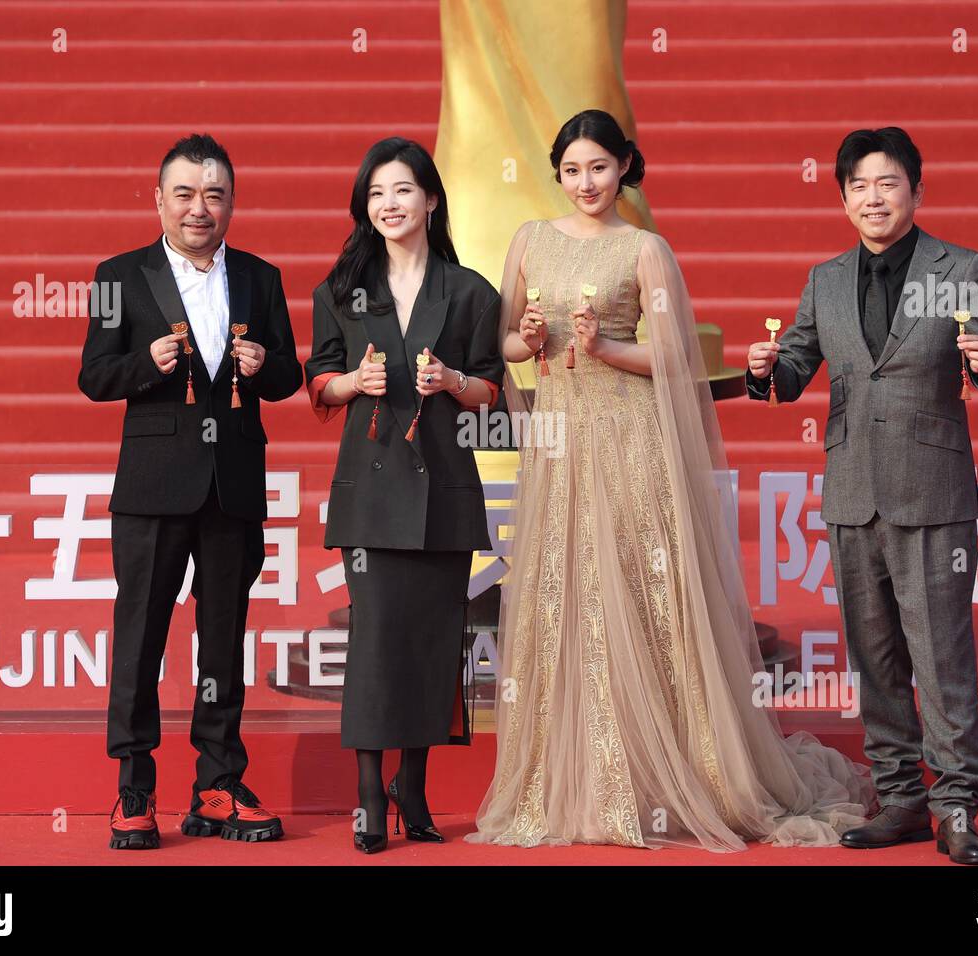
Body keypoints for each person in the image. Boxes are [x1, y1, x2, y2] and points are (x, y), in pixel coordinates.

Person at [466, 109, 874, 852]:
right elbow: (501, 344)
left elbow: (676, 359)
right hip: (558, 448)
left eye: (599, 167)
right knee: (567, 602)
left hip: (630, 445)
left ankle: (668, 780)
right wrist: (524, 342)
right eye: (572, 170)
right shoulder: (529, 240)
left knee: (642, 603)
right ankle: (578, 786)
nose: (585, 182)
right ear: (556, 173)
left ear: (624, 166)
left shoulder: (646, 250)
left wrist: (607, 346)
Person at [745, 127, 978, 865]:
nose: (874, 197)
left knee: (942, 656)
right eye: (859, 185)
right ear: (842, 198)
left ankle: (957, 806)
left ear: (916, 191)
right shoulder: (825, 278)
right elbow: (796, 366)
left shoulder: (960, 268)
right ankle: (901, 799)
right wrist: (765, 367)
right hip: (851, 490)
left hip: (931, 489)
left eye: (888, 182)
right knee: (874, 659)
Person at [79, 134, 302, 849]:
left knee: (222, 640)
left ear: (231, 201)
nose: (199, 208)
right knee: (139, 636)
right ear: (159, 200)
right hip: (151, 487)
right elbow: (95, 377)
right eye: (185, 193)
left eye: (214, 194)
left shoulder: (261, 279)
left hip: (231, 486)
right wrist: (144, 363)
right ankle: (133, 791)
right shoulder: (119, 275)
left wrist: (266, 365)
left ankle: (216, 783)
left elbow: (290, 375)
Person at [303, 138, 505, 854]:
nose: (388, 204)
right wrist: (354, 383)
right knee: (376, 646)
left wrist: (452, 381)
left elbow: (491, 394)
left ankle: (411, 790)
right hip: (373, 491)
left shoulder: (472, 291)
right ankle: (367, 796)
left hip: (446, 492)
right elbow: (318, 382)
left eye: (402, 191)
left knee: (430, 644)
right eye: (376, 194)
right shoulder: (344, 288)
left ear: (431, 200)